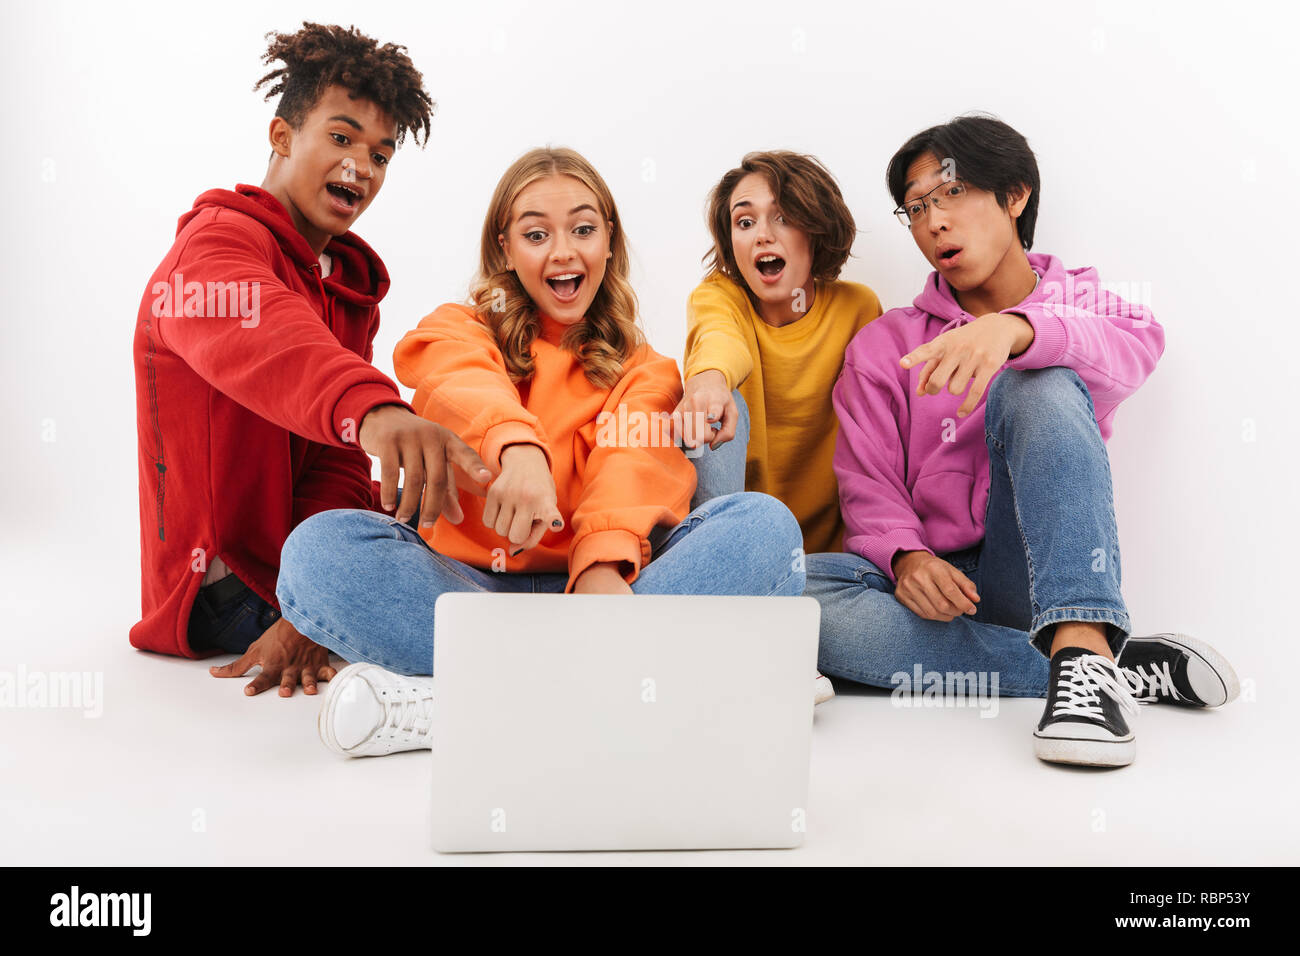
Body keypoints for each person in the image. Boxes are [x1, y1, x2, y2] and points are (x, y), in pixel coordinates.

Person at [275, 147, 806, 757]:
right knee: (319, 551)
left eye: (584, 229)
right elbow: (458, 379)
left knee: (764, 527)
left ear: (609, 244)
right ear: (505, 248)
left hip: (607, 596)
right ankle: (627, 685)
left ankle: (471, 700)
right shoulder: (459, 327)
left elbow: (629, 471)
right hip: (468, 593)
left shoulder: (643, 368)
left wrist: (602, 568)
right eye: (536, 234)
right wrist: (517, 448)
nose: (562, 252)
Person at [806, 114, 1239, 767]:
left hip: (1038, 572)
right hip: (935, 589)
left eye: (951, 194)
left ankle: (1081, 656)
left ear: (1014, 196)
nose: (933, 222)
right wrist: (906, 559)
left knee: (1036, 383)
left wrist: (1019, 332)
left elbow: (1137, 345)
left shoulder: (1083, 300)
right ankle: (1090, 658)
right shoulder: (885, 345)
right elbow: (868, 485)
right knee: (790, 594)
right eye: (916, 207)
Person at [129, 22, 491, 699]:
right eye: (342, 137)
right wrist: (375, 409)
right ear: (282, 136)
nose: (362, 166)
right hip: (230, 590)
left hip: (292, 570)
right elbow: (274, 340)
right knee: (459, 549)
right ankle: (524, 651)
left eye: (381, 154)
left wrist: (313, 604)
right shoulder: (214, 249)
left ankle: (554, 598)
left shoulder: (338, 284)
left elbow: (333, 460)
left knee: (480, 447)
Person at [673, 151, 884, 704]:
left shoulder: (858, 309)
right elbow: (719, 337)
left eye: (783, 218)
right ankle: (748, 622)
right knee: (719, 404)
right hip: (739, 555)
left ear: (817, 230)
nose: (762, 235)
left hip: (825, 574)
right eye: (745, 222)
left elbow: (880, 437)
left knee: (866, 625)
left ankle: (1075, 661)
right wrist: (710, 380)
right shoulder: (719, 297)